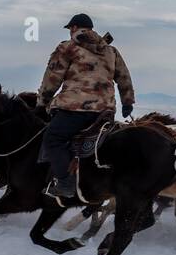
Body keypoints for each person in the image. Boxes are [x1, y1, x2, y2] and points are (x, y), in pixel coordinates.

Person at [38, 13, 136, 200]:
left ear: (74, 28)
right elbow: (124, 77)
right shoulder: (111, 51)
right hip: (105, 112)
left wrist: (43, 102)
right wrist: (127, 102)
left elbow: (52, 78)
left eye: (70, 29)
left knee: (53, 139)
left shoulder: (68, 48)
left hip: (74, 109)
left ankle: (65, 183)